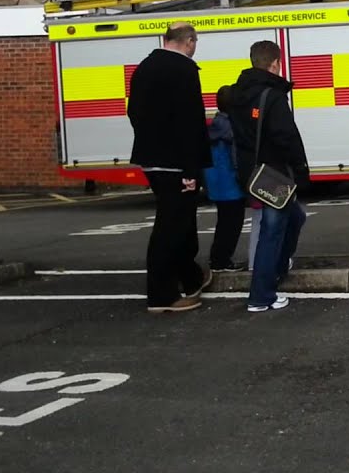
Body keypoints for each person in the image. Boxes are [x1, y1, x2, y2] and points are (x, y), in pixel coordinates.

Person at [127, 22, 212, 313]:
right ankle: (162, 296)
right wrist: (191, 170)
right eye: (195, 42)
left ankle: (191, 277)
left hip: (153, 159)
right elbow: (191, 123)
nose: (195, 47)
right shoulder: (183, 70)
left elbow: (133, 112)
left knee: (181, 224)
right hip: (176, 163)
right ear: (188, 41)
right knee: (171, 228)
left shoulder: (145, 68)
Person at [229, 40, 310, 313]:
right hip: (273, 173)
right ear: (275, 63)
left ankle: (276, 266)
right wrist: (301, 171)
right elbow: (287, 137)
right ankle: (262, 295)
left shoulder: (238, 94)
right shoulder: (272, 96)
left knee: (294, 217)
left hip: (250, 172)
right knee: (272, 231)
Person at [203, 85, 246, 272]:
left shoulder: (216, 123)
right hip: (230, 184)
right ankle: (222, 260)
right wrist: (243, 177)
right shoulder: (231, 127)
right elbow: (236, 157)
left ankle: (217, 259)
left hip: (217, 184)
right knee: (232, 223)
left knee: (224, 222)